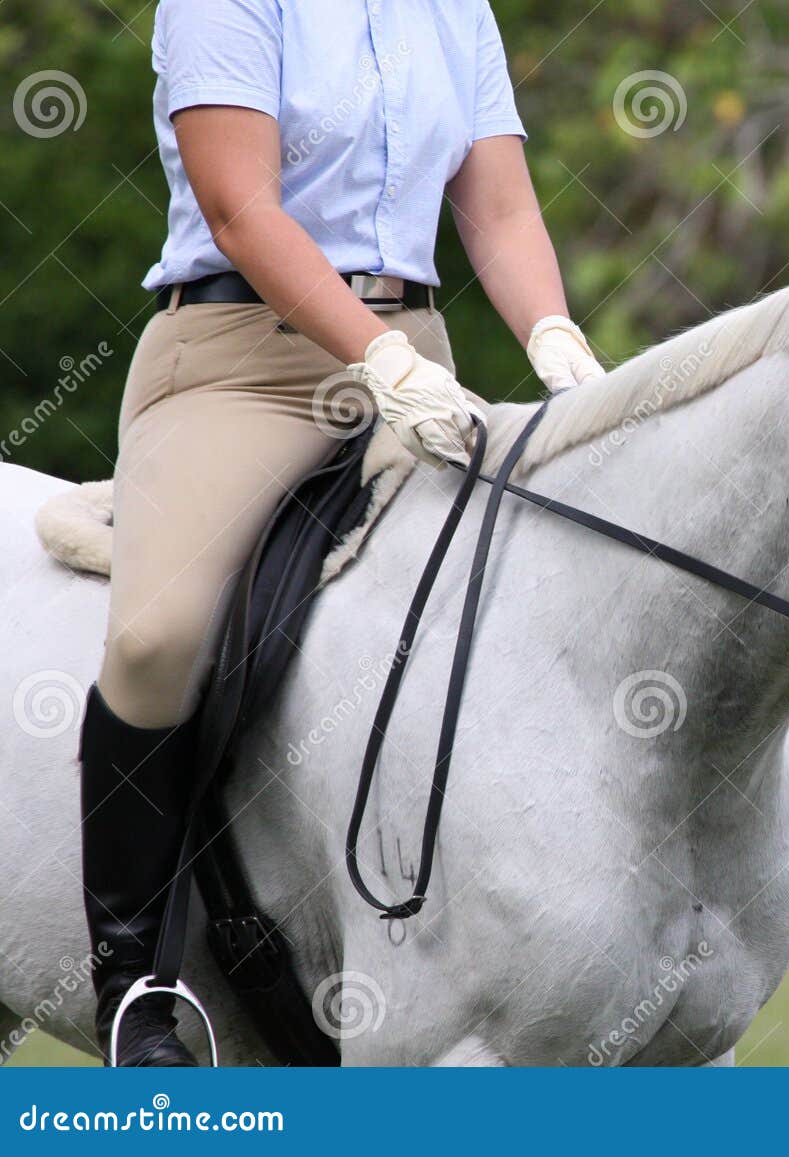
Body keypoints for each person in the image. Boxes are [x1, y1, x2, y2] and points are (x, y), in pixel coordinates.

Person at [79, 0, 602, 1066]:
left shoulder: (458, 11)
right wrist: (379, 361)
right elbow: (239, 207)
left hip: (419, 363)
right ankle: (135, 980)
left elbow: (497, 214)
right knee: (157, 637)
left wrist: (558, 346)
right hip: (241, 360)